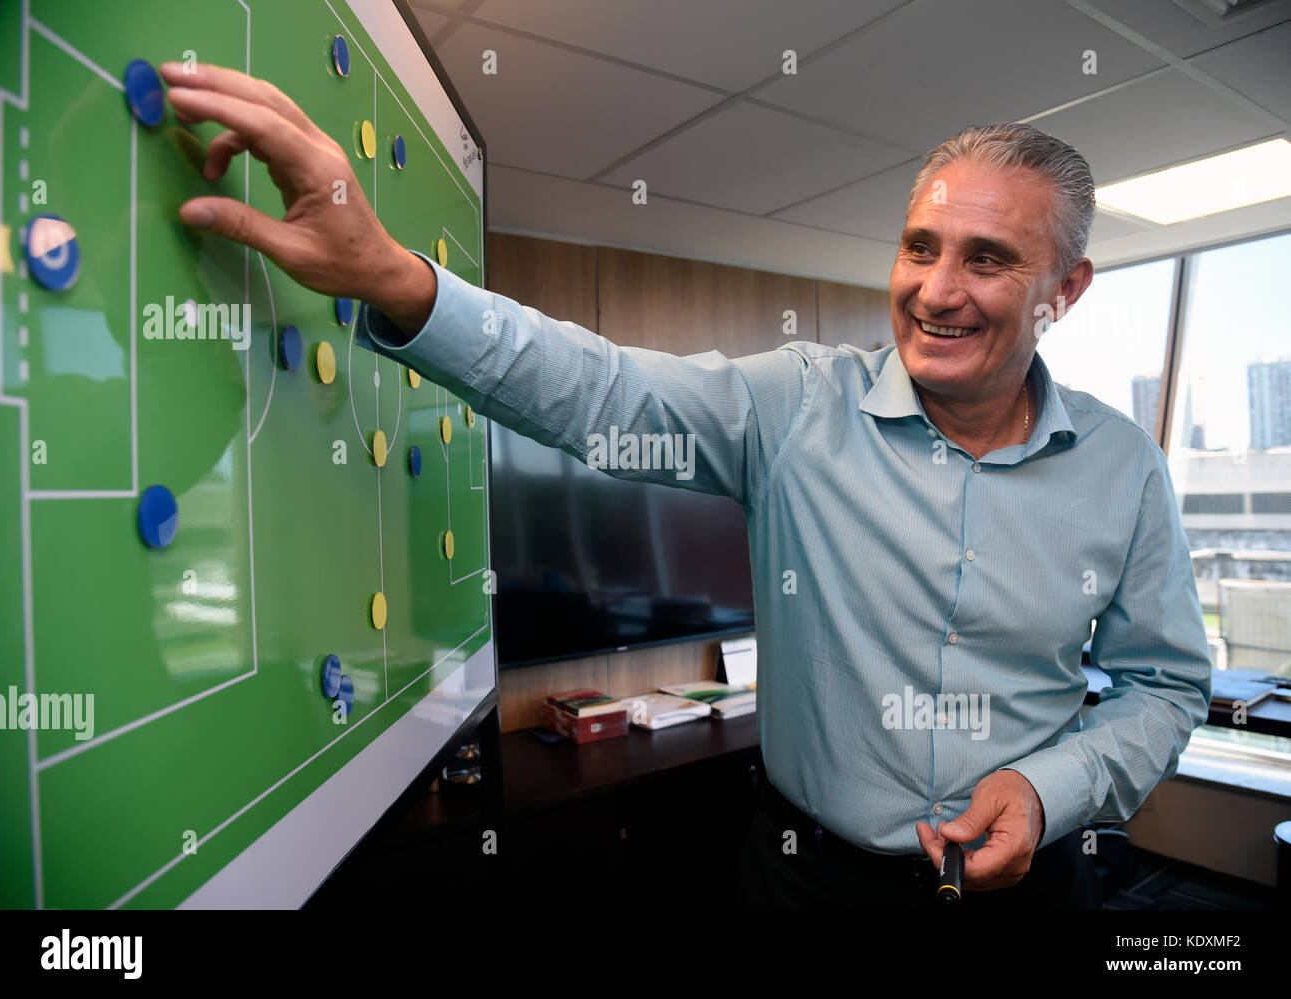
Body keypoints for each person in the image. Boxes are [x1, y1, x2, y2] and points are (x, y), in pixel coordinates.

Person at [157, 62, 1212, 909]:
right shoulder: (795, 406)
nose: (934, 291)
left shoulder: (1123, 469)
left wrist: (1046, 788)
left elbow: (1163, 686)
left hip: (1035, 891)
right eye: (918, 247)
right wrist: (394, 276)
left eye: (986, 260)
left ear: (1063, 291)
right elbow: (601, 392)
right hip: (805, 881)